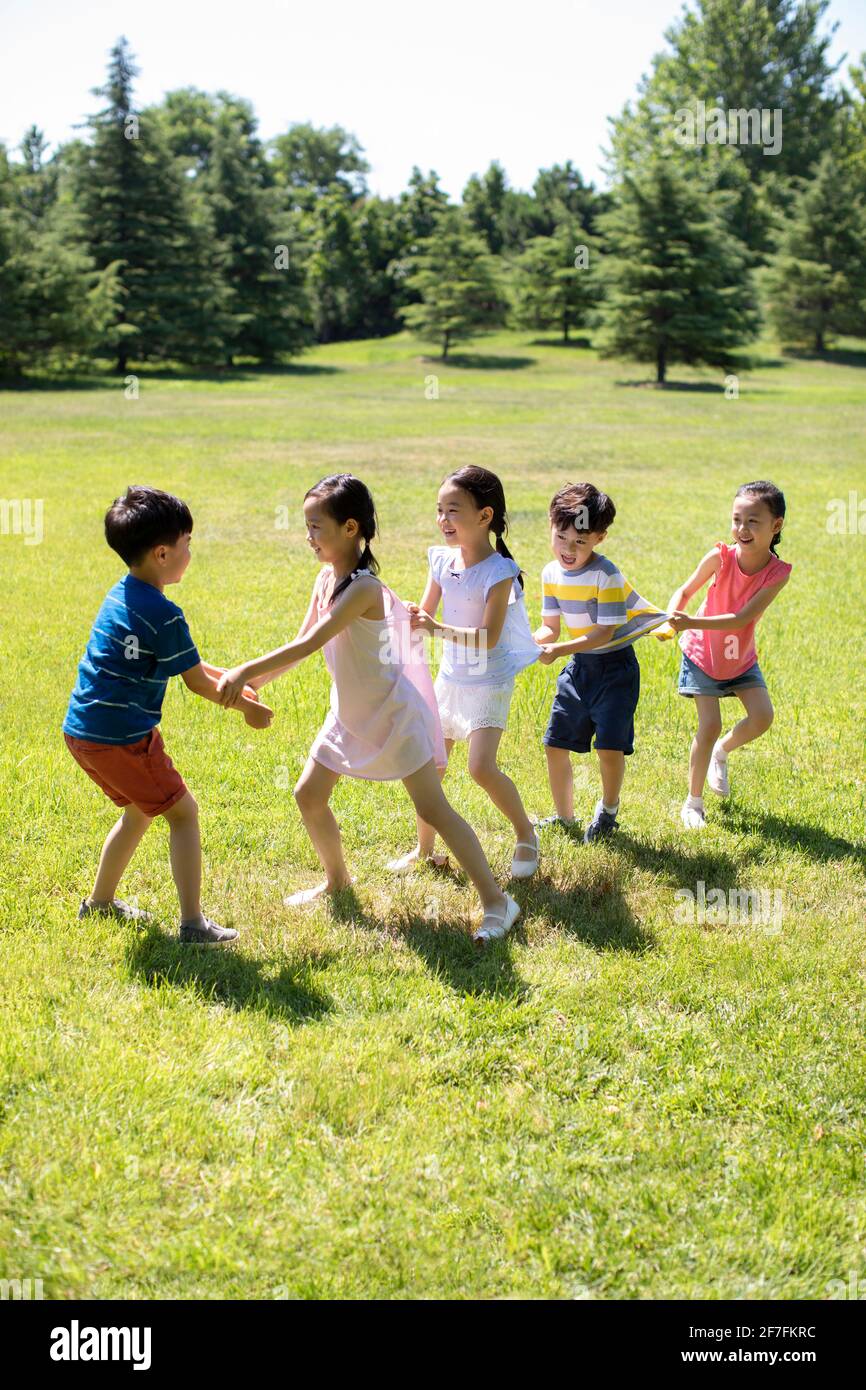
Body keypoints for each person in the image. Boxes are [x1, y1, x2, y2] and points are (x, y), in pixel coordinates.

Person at [216, 474, 520, 945]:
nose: (309, 536)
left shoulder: (364, 589)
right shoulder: (325, 580)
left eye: (317, 527)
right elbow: (300, 642)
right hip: (349, 714)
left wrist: (242, 671)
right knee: (309, 795)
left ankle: (498, 902)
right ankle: (338, 880)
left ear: (351, 528)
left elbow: (313, 642)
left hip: (394, 717)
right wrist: (251, 682)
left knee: (434, 809)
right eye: (307, 526)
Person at [63, 486, 272, 944]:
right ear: (162, 553)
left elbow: (194, 669)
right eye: (187, 544)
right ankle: (194, 924)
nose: (190, 552)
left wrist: (237, 682)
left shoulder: (123, 594)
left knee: (139, 811)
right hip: (123, 738)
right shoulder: (164, 615)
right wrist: (246, 711)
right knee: (183, 814)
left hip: (84, 731)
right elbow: (198, 684)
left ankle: (98, 904)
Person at [388, 466, 541, 880]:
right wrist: (402, 614)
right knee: (430, 766)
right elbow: (426, 610)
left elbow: (489, 637)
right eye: (439, 510)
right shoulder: (440, 560)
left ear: (484, 516)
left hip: (489, 681)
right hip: (451, 679)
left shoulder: (499, 572)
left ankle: (526, 834)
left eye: (452, 510)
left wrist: (435, 629)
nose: (443, 520)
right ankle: (424, 850)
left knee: (481, 768)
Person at [534, 482, 669, 842]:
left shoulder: (605, 574)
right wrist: (533, 642)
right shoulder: (550, 574)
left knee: (609, 748)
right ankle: (564, 817)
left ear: (600, 538)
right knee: (555, 744)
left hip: (615, 672)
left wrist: (559, 650)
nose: (568, 549)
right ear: (551, 525)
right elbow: (550, 627)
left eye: (580, 542)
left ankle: (608, 811)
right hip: (579, 671)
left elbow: (603, 634)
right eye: (561, 537)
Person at [665, 481, 791, 828]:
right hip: (702, 653)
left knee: (762, 716)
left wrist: (689, 619)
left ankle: (723, 751)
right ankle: (692, 804)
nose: (742, 529)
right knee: (709, 724)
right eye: (737, 519)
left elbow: (742, 618)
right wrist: (671, 617)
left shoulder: (777, 574)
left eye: (753, 521)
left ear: (775, 526)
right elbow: (686, 590)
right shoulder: (720, 556)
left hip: (740, 656)